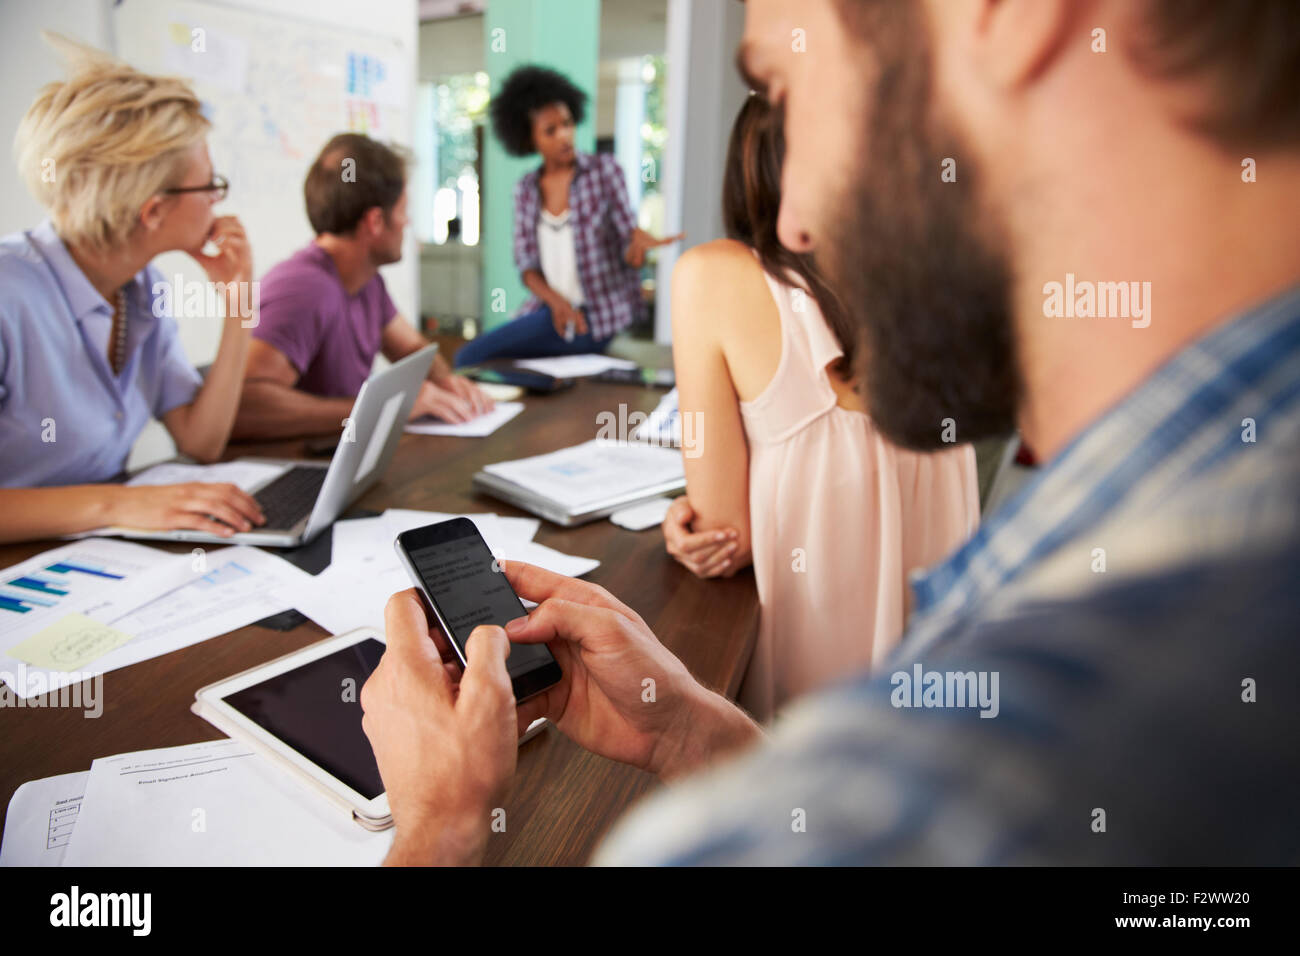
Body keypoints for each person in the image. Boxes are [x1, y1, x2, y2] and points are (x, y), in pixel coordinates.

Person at [361, 0, 1300, 865]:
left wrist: (437, 834)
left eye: (787, 90)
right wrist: (695, 732)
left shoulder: (889, 814)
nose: (796, 220)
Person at [662, 94, 979, 721]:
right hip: (945, 705)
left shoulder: (714, 275)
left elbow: (728, 535)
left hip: (816, 723)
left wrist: (688, 520)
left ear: (751, 172)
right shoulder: (942, 281)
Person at [0, 34, 265, 544]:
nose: (217, 198)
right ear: (153, 210)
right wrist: (117, 504)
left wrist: (238, 307)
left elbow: (202, 441)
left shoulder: (141, 287)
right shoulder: (10, 294)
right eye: (209, 183)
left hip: (94, 563)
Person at [233, 133, 492, 440]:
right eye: (403, 211)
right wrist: (380, 408)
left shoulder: (366, 281)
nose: (407, 223)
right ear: (375, 222)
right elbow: (245, 406)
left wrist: (446, 380)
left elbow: (410, 349)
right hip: (289, 473)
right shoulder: (306, 289)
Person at [452, 65, 681, 368]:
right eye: (551, 130)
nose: (564, 135)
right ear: (529, 138)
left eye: (568, 123)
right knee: (487, 360)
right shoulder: (525, 189)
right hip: (550, 310)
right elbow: (527, 265)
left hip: (595, 318)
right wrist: (556, 302)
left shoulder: (604, 172)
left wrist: (637, 249)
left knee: (469, 357)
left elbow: (629, 247)